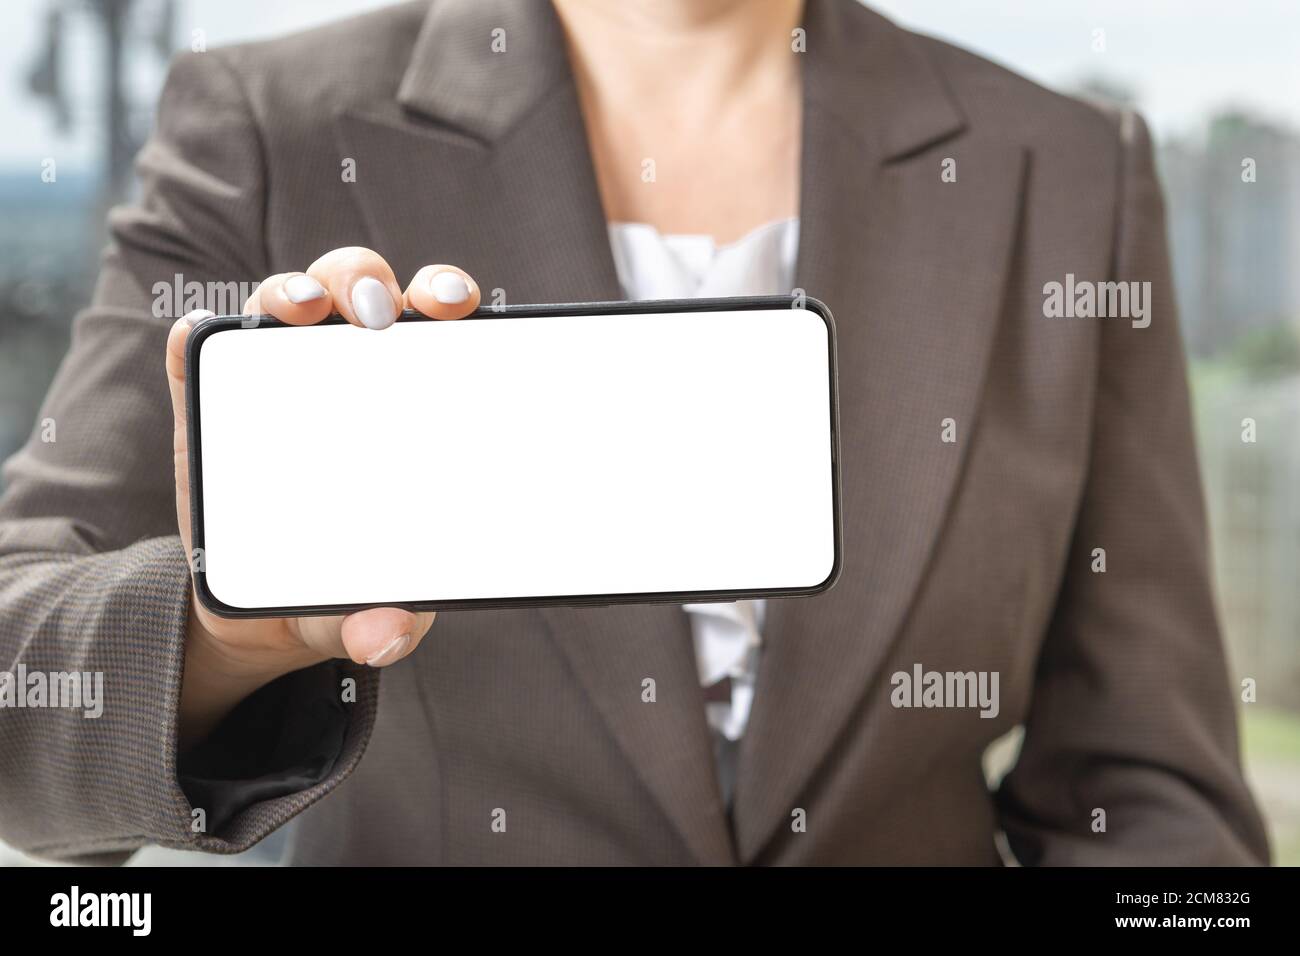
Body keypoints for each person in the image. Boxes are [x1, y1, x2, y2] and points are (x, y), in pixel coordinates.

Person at [0, 0, 1268, 865]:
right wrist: (235, 626)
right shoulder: (271, 126)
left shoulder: (1061, 165)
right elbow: (23, 697)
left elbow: (1152, 786)